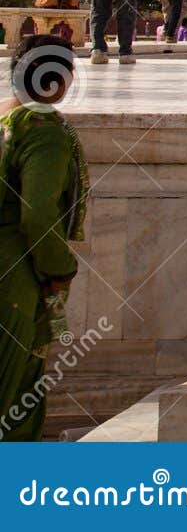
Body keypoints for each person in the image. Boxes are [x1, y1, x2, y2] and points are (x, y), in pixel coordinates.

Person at [0, 35, 89, 441]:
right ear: (60, 81)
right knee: (17, 400)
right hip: (15, 276)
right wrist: (60, 268)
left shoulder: (5, 118)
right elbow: (37, 216)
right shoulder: (44, 130)